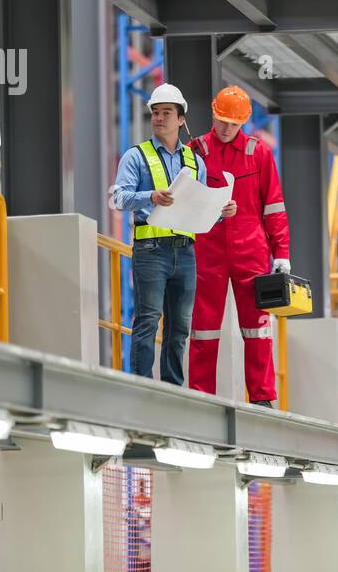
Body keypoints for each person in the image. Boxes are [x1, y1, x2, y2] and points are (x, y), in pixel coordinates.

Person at [107, 84, 224, 384]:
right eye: (155, 113)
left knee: (180, 327)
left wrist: (221, 210)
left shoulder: (195, 162)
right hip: (151, 250)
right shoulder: (136, 156)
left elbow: (199, 210)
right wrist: (150, 197)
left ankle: (173, 388)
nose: (159, 118)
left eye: (166, 113)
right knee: (147, 320)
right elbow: (117, 198)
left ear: (181, 119)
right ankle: (142, 386)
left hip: (185, 252)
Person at [188, 85, 290, 406]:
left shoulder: (258, 153)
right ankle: (200, 394)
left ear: (243, 122)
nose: (226, 128)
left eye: (232, 124)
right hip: (207, 250)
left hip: (251, 251)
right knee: (204, 327)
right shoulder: (197, 151)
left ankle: (262, 396)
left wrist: (282, 253)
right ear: (213, 114)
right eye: (221, 121)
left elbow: (273, 206)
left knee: (257, 328)